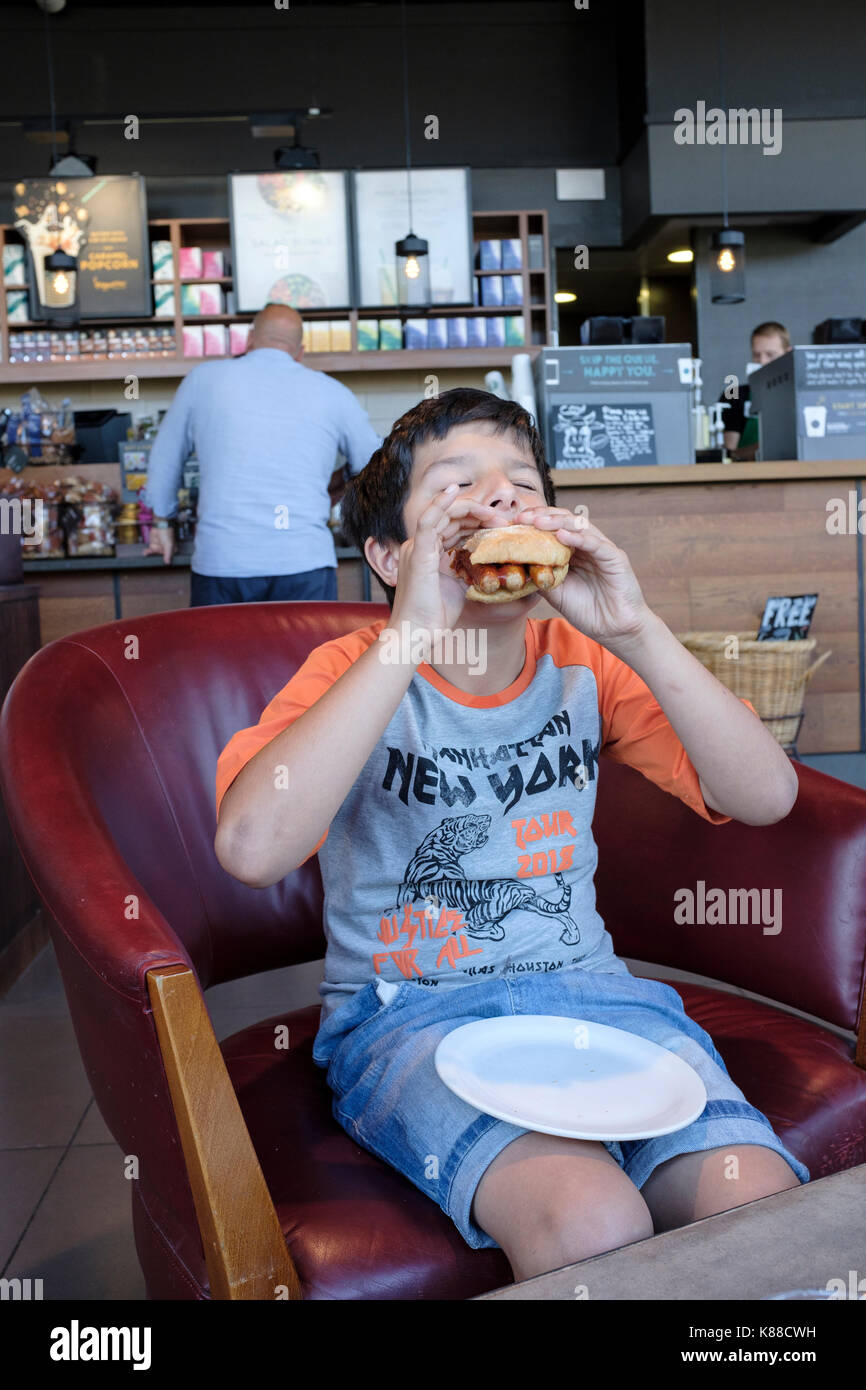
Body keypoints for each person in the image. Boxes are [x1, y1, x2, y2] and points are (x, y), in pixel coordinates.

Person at [213, 387, 808, 1282]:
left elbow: (767, 795)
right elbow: (252, 850)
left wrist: (635, 630)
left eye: (521, 485)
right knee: (590, 1221)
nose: (498, 499)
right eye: (456, 485)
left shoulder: (586, 663)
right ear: (386, 554)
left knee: (757, 1204)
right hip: (407, 1015)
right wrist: (409, 635)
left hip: (595, 996)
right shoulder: (349, 671)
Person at [142, 304, 381, 604]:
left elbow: (165, 457)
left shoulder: (202, 380)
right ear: (300, 352)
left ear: (249, 339)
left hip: (223, 562)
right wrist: (343, 480)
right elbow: (376, 465)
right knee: (306, 654)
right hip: (304, 562)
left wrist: (162, 524)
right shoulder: (333, 392)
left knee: (222, 652)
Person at [720, 321, 791, 460]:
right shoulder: (733, 394)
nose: (762, 361)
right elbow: (730, 455)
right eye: (757, 355)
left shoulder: (798, 396)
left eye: (770, 354)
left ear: (788, 354)